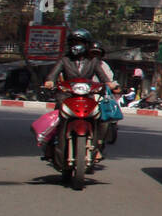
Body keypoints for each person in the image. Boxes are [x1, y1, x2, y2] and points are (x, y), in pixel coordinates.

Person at [43, 29, 117, 163]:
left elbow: (103, 77)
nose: (77, 45)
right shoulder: (64, 60)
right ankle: (52, 145)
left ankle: (96, 149)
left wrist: (109, 84)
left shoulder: (93, 62)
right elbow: (53, 74)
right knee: (58, 119)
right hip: (66, 96)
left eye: (80, 42)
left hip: (87, 96)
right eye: (74, 42)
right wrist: (49, 81)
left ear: (87, 45)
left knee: (97, 118)